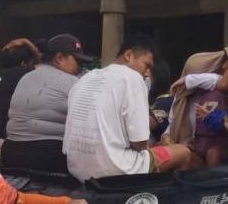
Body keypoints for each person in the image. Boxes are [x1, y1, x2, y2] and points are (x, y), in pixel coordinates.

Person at [63, 35, 192, 181]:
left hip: (76, 168)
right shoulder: (132, 78)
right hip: (114, 169)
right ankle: (162, 195)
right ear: (129, 55)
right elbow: (139, 143)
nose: (147, 73)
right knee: (183, 152)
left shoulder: (85, 79)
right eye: (146, 65)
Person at [2, 34, 92, 173]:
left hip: (11, 151)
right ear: (60, 58)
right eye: (77, 61)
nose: (80, 67)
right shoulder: (72, 82)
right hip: (48, 155)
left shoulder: (26, 77)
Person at [166, 41, 228, 146]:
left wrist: (189, 80)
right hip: (183, 147)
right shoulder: (184, 95)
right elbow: (174, 122)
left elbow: (221, 83)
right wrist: (166, 135)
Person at [0, 37, 42, 138]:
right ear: (23, 63)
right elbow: (41, 61)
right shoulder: (21, 73)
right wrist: (25, 41)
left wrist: (8, 48)